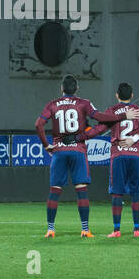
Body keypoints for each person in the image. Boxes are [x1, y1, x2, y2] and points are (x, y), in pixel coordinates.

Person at [33, 74, 98, 237]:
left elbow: (38, 124)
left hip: (59, 151)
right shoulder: (83, 103)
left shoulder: (53, 104)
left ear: (62, 89)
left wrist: (47, 145)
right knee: (81, 191)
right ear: (76, 89)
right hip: (78, 151)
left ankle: (50, 229)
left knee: (55, 191)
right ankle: (84, 229)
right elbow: (91, 127)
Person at [86, 82, 139, 238]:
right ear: (132, 95)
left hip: (118, 155)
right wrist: (136, 137)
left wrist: (84, 134)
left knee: (117, 192)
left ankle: (116, 230)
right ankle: (137, 230)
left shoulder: (112, 111)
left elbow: (100, 129)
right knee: (136, 192)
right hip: (135, 155)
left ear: (117, 95)